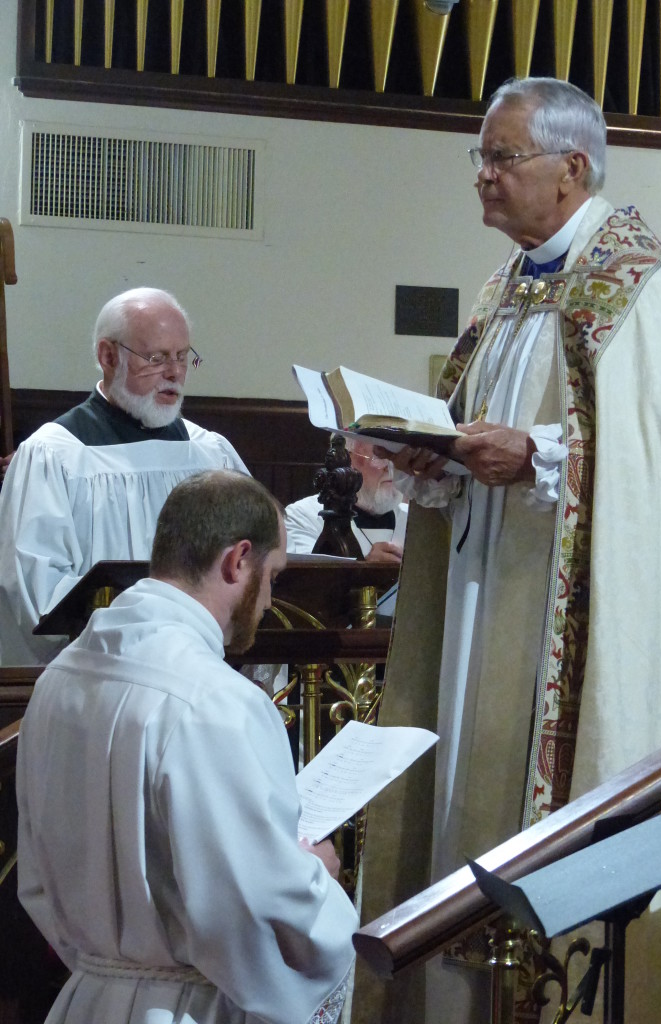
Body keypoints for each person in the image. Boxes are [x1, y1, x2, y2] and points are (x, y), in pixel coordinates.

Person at [355, 77, 661, 1024]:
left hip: (559, 630)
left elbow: (660, 472)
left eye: (501, 158)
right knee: (460, 805)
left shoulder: (631, 286)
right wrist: (435, 456)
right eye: (479, 159)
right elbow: (474, 436)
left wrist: (531, 454)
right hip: (482, 617)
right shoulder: (505, 289)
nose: (482, 178)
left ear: (572, 168)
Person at [16, 469, 358, 1024]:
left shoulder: (59, 678)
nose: (270, 601)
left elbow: (34, 877)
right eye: (272, 577)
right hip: (190, 1008)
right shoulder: (218, 704)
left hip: (87, 998)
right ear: (237, 560)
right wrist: (314, 875)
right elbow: (256, 912)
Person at [0, 287, 247, 665]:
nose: (175, 373)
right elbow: (37, 590)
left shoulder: (211, 454)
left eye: (183, 357)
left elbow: (251, 560)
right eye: (157, 357)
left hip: (206, 667)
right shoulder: (54, 456)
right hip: (101, 676)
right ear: (108, 356)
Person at [285, 438, 407, 562]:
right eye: (381, 458)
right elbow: (306, 578)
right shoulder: (302, 517)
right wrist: (367, 570)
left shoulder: (414, 520)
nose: (392, 468)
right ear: (346, 460)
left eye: (397, 458)